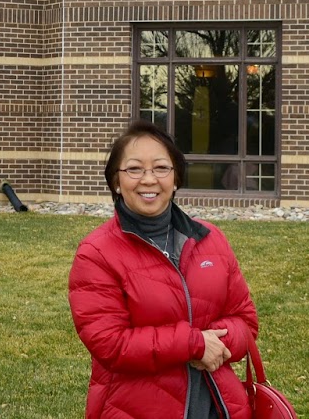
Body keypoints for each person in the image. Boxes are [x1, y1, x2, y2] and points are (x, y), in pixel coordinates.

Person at [68, 121, 259, 419]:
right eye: (134, 169)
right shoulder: (96, 253)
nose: (148, 179)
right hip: (134, 408)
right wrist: (194, 345)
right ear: (116, 181)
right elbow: (110, 343)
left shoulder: (211, 239)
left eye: (160, 168)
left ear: (176, 178)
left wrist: (219, 344)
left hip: (218, 405)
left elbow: (246, 321)